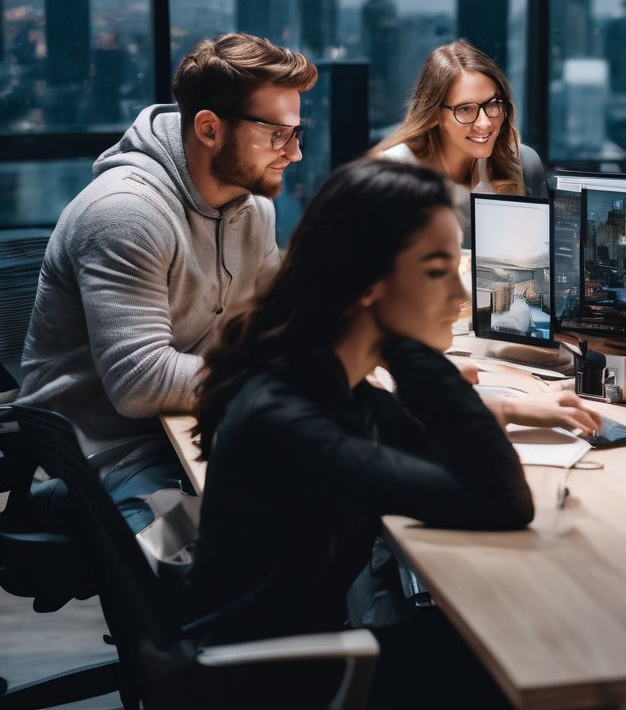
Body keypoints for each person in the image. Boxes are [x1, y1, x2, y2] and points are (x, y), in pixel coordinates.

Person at [186, 159, 599, 704]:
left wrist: (405, 344)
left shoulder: (332, 385)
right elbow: (499, 498)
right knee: (542, 663)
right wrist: (410, 350)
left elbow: (450, 457)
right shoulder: (289, 418)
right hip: (269, 685)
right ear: (366, 285)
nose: (458, 294)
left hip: (299, 657)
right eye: (435, 270)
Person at [17, 33, 316, 538]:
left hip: (200, 425)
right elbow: (142, 383)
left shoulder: (253, 208)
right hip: (110, 452)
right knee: (219, 566)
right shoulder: (126, 214)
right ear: (208, 128)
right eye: (278, 135)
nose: (296, 153)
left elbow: (276, 324)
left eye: (298, 132)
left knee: (346, 502)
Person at [372, 39, 546, 238]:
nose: (485, 123)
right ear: (435, 115)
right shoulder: (390, 174)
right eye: (465, 109)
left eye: (493, 104)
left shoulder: (521, 163)